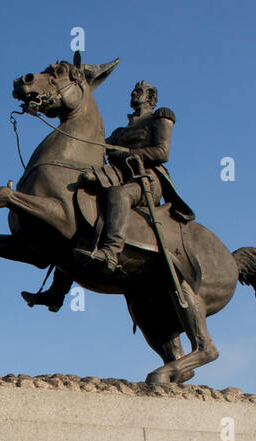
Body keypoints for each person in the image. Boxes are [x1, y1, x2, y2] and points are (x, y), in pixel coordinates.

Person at [22, 82, 194, 310]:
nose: (133, 93)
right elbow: (94, 147)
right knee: (77, 218)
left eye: (139, 91)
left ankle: (111, 252)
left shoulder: (160, 117)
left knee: (119, 195)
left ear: (151, 99)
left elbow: (162, 152)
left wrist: (129, 154)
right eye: (133, 90)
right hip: (118, 175)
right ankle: (57, 292)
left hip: (146, 179)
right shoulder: (120, 132)